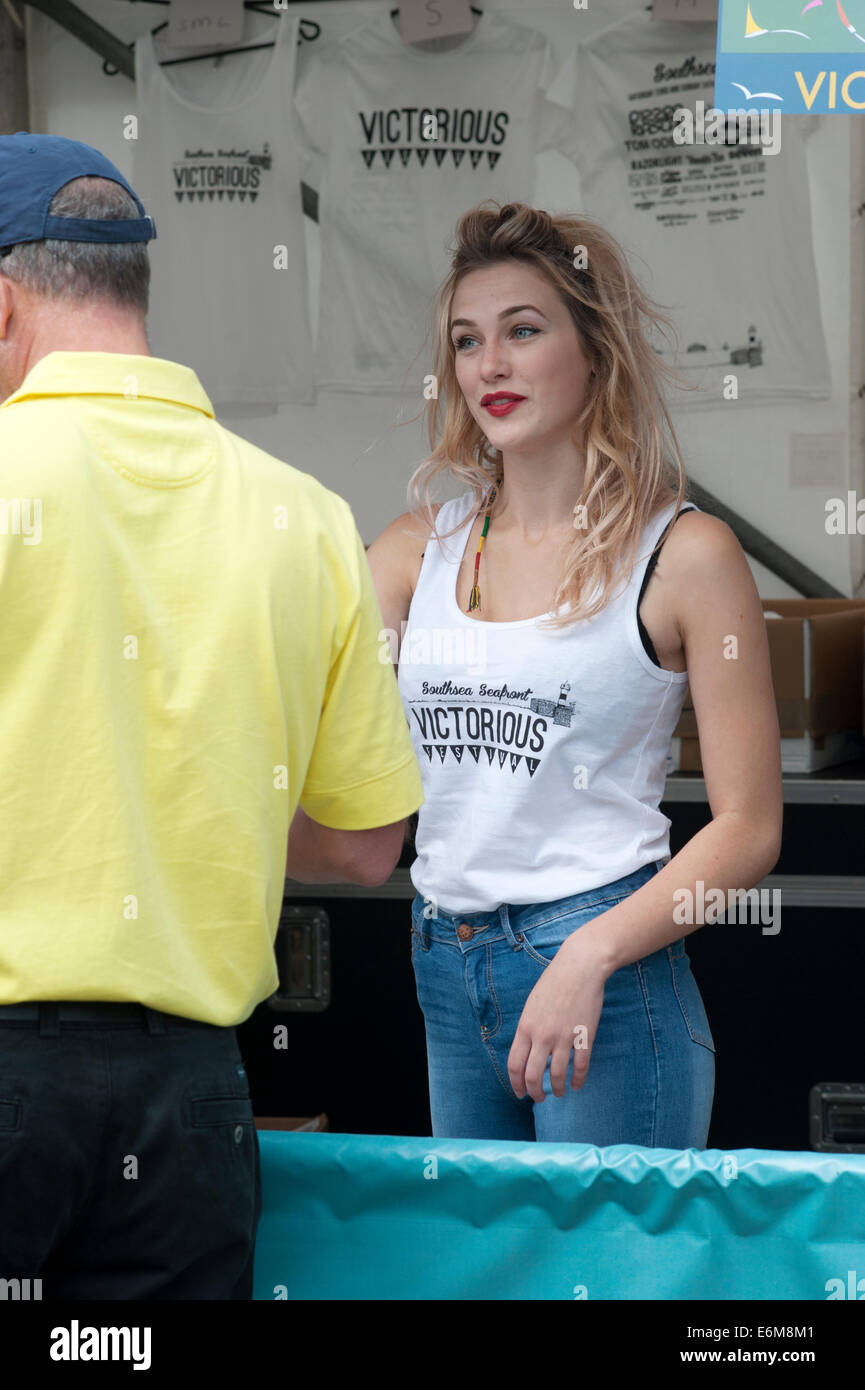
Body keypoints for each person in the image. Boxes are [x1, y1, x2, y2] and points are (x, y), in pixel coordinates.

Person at [0, 132, 422, 1299]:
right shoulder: (306, 515)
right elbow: (365, 842)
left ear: (1, 305)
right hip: (190, 1103)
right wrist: (195, 791)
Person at [367, 201, 783, 1147]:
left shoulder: (685, 555)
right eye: (468, 341)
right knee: (486, 1287)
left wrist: (589, 955)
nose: (491, 366)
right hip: (444, 953)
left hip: (605, 959)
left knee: (610, 1284)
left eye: (523, 330)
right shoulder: (411, 552)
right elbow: (291, 697)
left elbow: (750, 831)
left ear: (593, 351)